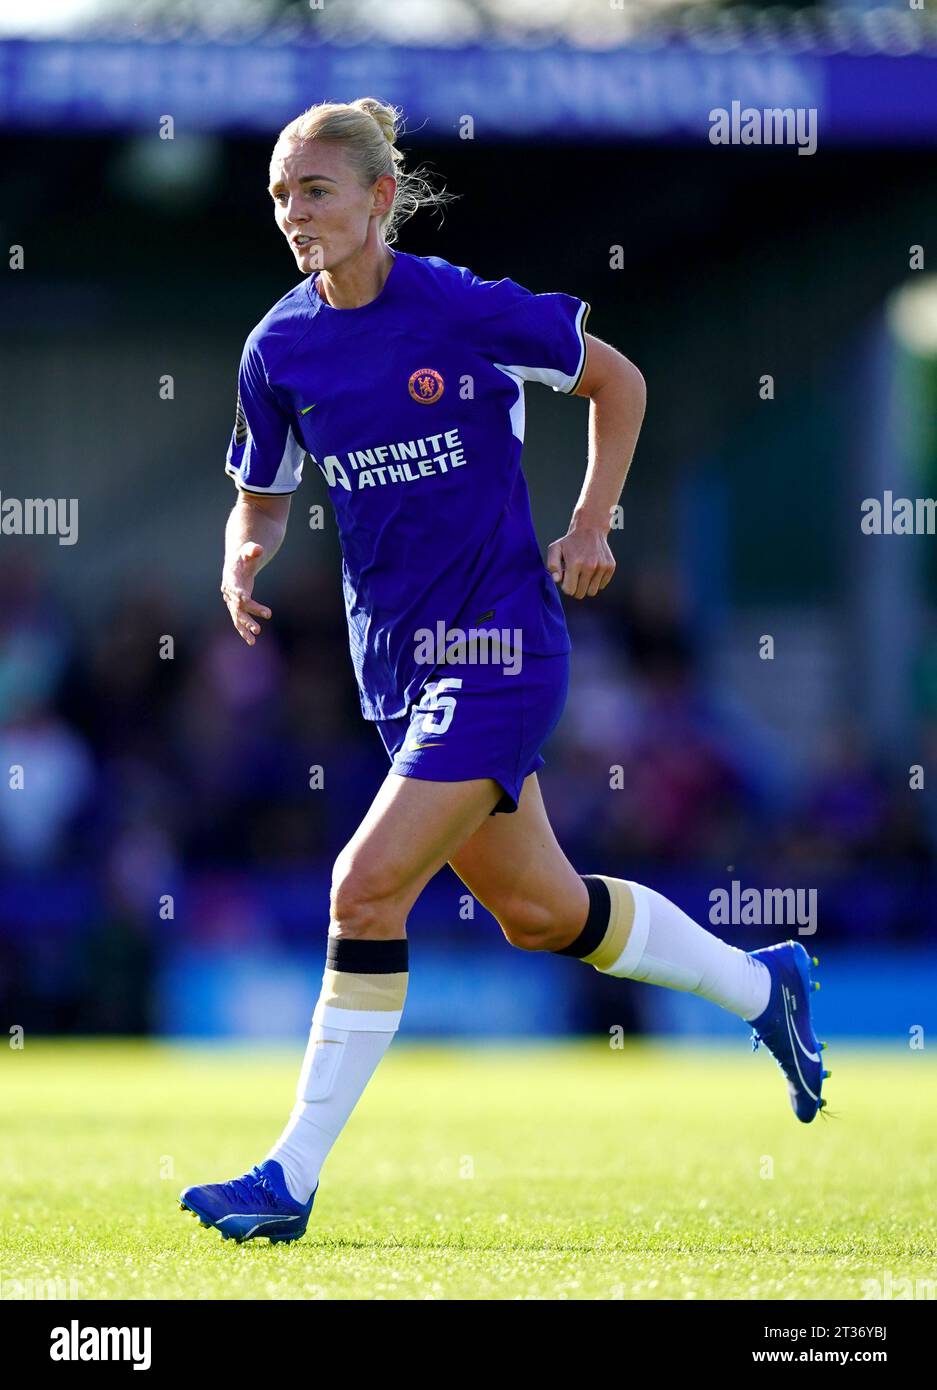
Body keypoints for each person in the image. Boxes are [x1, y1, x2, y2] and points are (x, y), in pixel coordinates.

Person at [179, 97, 827, 1245]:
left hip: (499, 649)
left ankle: (287, 1175)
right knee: (541, 911)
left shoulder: (461, 308)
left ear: (380, 199)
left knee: (362, 887)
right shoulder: (277, 348)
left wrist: (589, 524)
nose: (293, 214)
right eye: (280, 195)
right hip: (396, 670)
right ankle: (761, 987)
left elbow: (616, 383)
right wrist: (242, 555)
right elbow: (262, 493)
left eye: (315, 190)